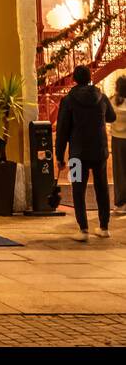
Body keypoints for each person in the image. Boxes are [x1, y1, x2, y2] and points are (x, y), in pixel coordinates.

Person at [55, 65, 116, 240]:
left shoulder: (68, 100)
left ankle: (83, 229)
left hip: (77, 153)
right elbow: (111, 117)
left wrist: (60, 156)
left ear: (74, 79)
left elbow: (62, 130)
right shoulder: (101, 97)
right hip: (99, 152)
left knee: (77, 189)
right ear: (90, 78)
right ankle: (104, 227)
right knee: (102, 188)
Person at [111, 76, 126, 213]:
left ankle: (121, 202)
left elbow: (108, 117)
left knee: (119, 171)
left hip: (117, 139)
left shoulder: (113, 102)